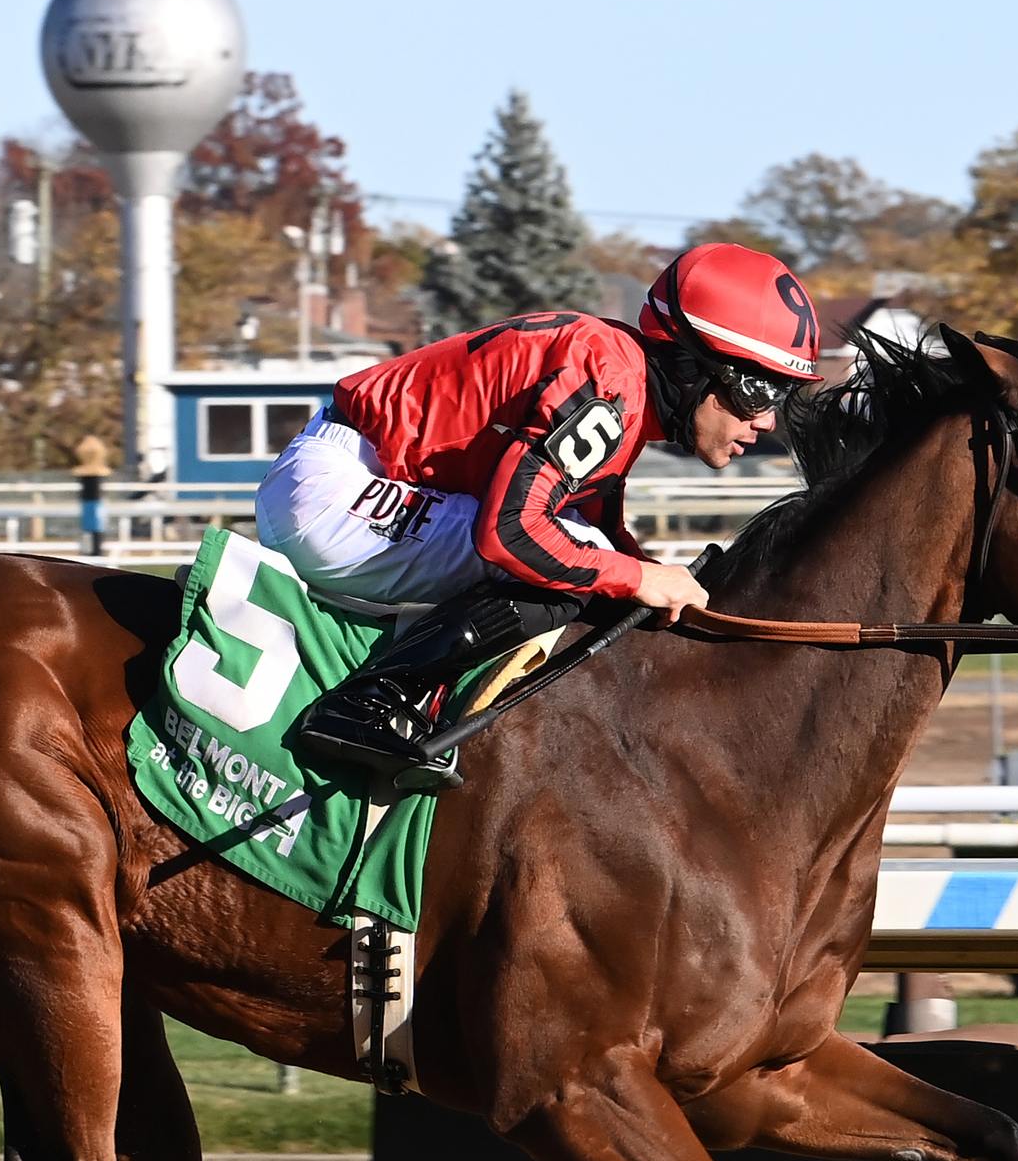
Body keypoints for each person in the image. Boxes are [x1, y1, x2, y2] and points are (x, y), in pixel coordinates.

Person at [254, 242, 821, 789]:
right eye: (759, 391)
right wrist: (645, 577)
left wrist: (652, 578)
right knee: (574, 555)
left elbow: (602, 533)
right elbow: (511, 533)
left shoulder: (620, 377)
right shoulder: (611, 382)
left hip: (356, 476)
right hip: (340, 488)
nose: (767, 421)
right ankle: (367, 701)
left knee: (593, 555)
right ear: (694, 367)